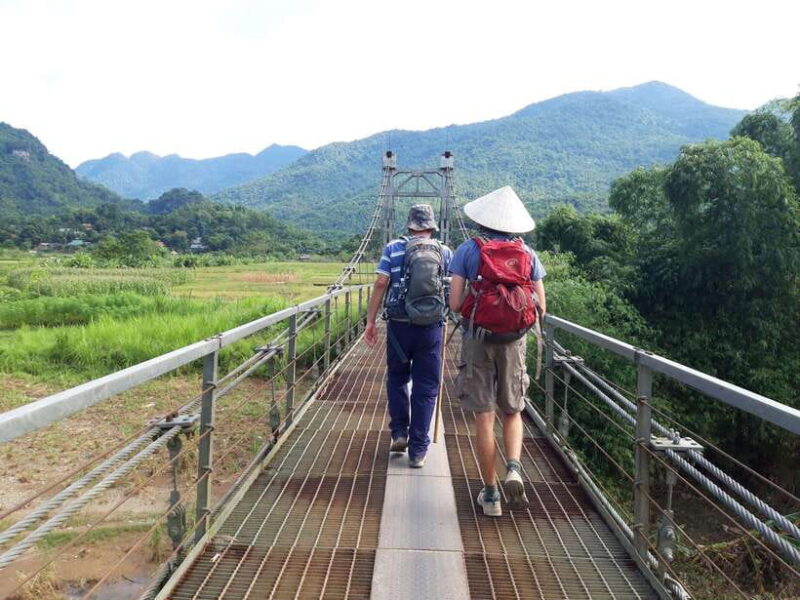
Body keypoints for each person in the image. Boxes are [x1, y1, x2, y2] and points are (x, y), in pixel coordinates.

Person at [448, 186, 546, 516]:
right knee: (512, 410)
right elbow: (540, 306)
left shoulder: (467, 250)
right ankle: (514, 468)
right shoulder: (528, 254)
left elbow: (455, 303)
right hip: (515, 341)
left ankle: (490, 496)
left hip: (478, 338)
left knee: (484, 416)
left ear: (482, 220)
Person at [365, 204, 452, 468]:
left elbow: (381, 282)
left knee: (397, 377)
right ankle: (418, 451)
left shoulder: (393, 248)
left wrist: (370, 321)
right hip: (431, 328)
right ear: (432, 225)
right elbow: (451, 287)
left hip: (399, 327)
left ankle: (399, 433)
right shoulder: (444, 251)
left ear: (409, 225)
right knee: (426, 386)